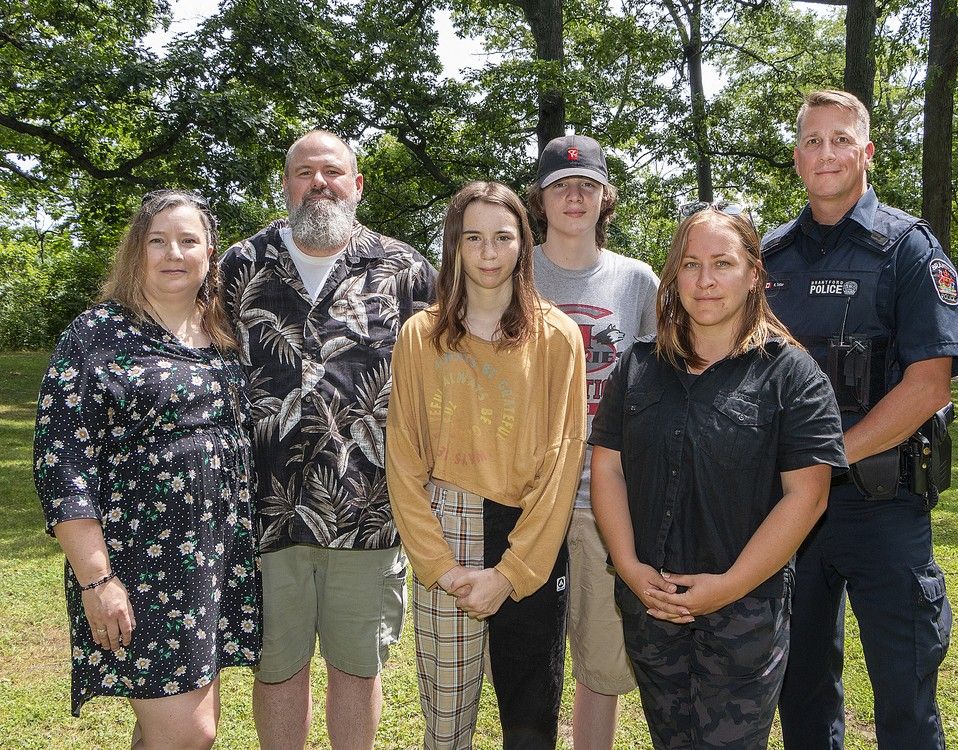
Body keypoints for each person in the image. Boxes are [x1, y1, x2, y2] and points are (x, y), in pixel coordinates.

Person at [762, 90, 958, 750]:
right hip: (793, 512)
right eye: (813, 141)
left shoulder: (909, 249)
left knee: (905, 696)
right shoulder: (768, 259)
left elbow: (927, 385)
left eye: (841, 140)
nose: (826, 153)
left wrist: (825, 458)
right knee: (800, 692)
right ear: (797, 158)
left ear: (867, 152)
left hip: (884, 506)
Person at [590, 203, 847, 749]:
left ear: (754, 275)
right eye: (690, 264)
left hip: (744, 614)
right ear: (674, 275)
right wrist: (630, 568)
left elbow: (808, 497)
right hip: (651, 605)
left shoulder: (792, 375)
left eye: (723, 264)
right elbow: (608, 467)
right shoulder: (638, 366)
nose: (705, 280)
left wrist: (727, 588)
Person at [220, 129, 436, 750]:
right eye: (305, 172)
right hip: (264, 512)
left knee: (357, 669)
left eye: (333, 172)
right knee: (276, 668)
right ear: (287, 185)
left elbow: (437, 379)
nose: (320, 183)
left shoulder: (406, 270)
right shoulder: (240, 265)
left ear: (357, 185)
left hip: (367, 513)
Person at [34, 190, 260, 748]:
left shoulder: (223, 331)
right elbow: (62, 462)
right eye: (158, 241)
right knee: (189, 733)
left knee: (172, 727)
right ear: (137, 251)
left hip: (213, 558)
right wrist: (97, 580)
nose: (173, 253)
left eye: (188, 241)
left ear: (209, 252)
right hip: (139, 564)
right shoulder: (96, 334)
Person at [386, 181, 587, 749]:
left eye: (503, 237)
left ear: (524, 243)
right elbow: (403, 459)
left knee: (530, 722)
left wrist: (511, 573)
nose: (489, 253)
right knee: (447, 724)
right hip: (446, 529)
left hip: (530, 531)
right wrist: (440, 566)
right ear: (454, 245)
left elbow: (564, 456)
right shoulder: (420, 336)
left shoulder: (557, 336)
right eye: (473, 238)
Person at [525, 134, 658, 749]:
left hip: (605, 499)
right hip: (525, 498)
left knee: (601, 666)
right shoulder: (514, 271)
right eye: (560, 186)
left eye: (587, 185)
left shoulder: (637, 281)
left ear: (606, 196)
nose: (574, 196)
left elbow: (660, 382)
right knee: (529, 666)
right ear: (540, 199)